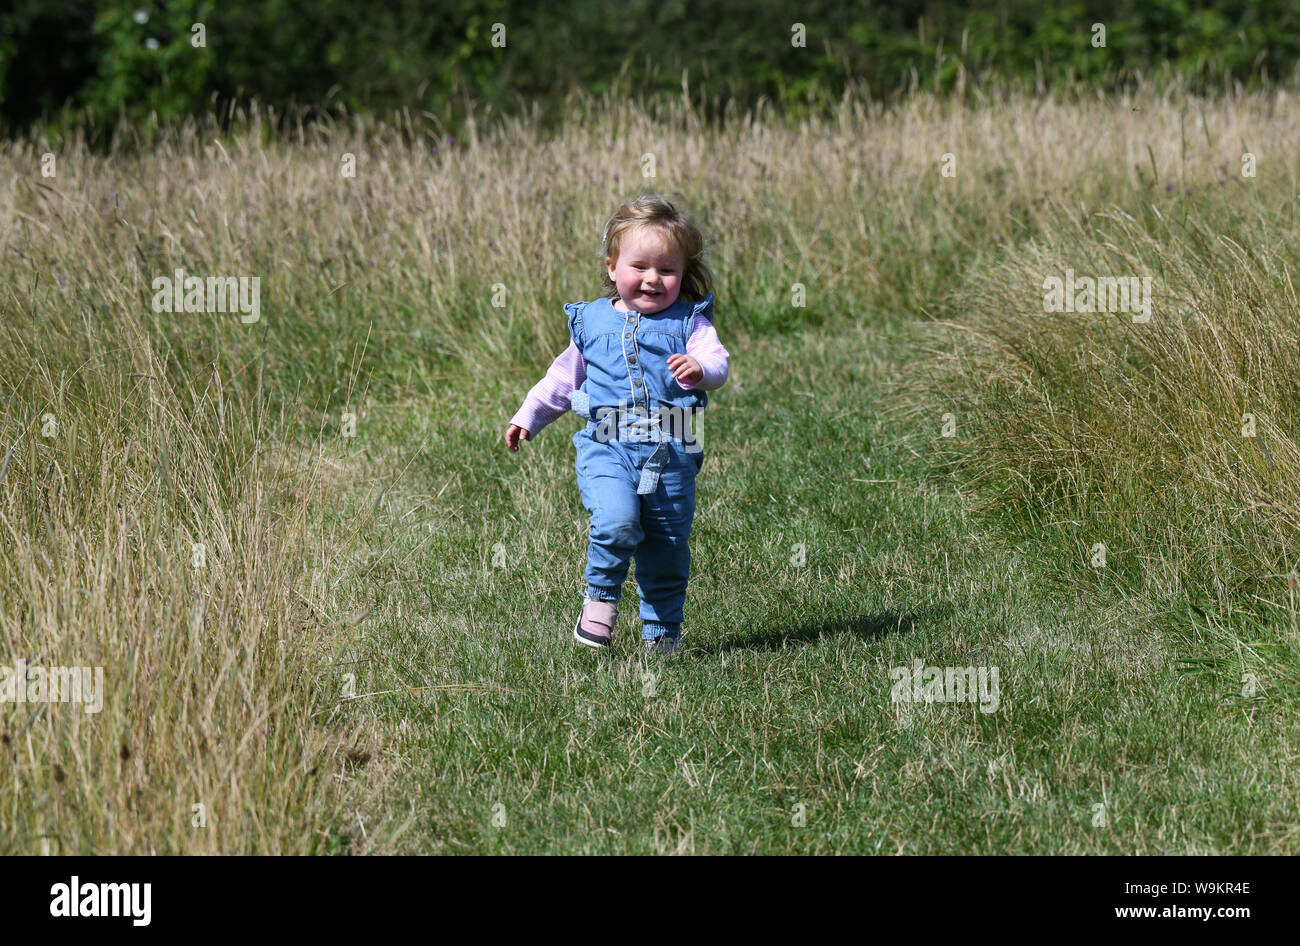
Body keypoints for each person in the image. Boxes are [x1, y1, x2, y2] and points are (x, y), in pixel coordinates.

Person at [505, 194, 730, 653]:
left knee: (667, 543)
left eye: (666, 270)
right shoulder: (593, 321)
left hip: (673, 451)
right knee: (617, 520)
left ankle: (662, 632)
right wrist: (529, 416)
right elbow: (563, 380)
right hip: (607, 444)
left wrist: (700, 369)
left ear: (682, 274)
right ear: (612, 267)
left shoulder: (690, 323)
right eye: (639, 266)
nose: (652, 279)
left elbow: (718, 363)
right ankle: (600, 602)